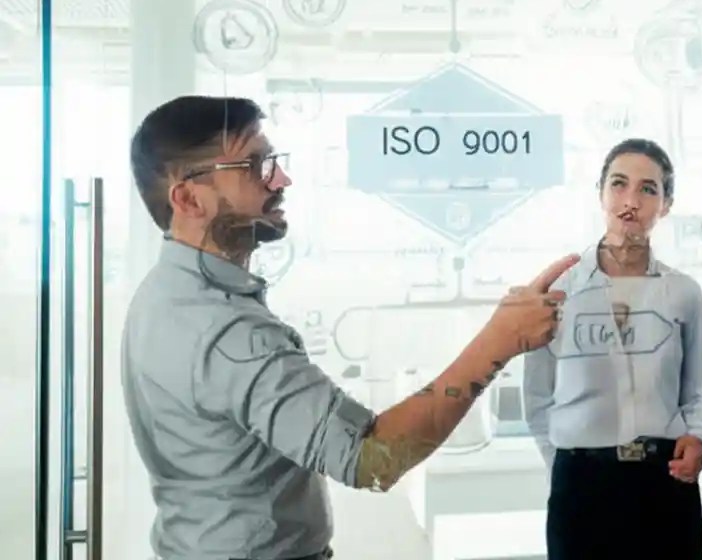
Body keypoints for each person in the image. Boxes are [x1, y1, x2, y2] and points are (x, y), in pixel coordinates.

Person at [122, 95, 578, 560]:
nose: (281, 179)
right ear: (187, 198)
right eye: (254, 165)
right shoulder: (225, 331)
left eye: (273, 161)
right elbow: (371, 460)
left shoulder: (162, 296)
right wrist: (500, 340)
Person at [523, 138, 702, 560]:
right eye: (619, 184)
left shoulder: (683, 293)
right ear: (600, 193)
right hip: (582, 488)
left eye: (648, 189)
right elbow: (537, 399)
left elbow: (693, 393)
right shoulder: (558, 292)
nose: (631, 200)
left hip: (665, 483)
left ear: (665, 205)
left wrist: (698, 437)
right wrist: (568, 467)